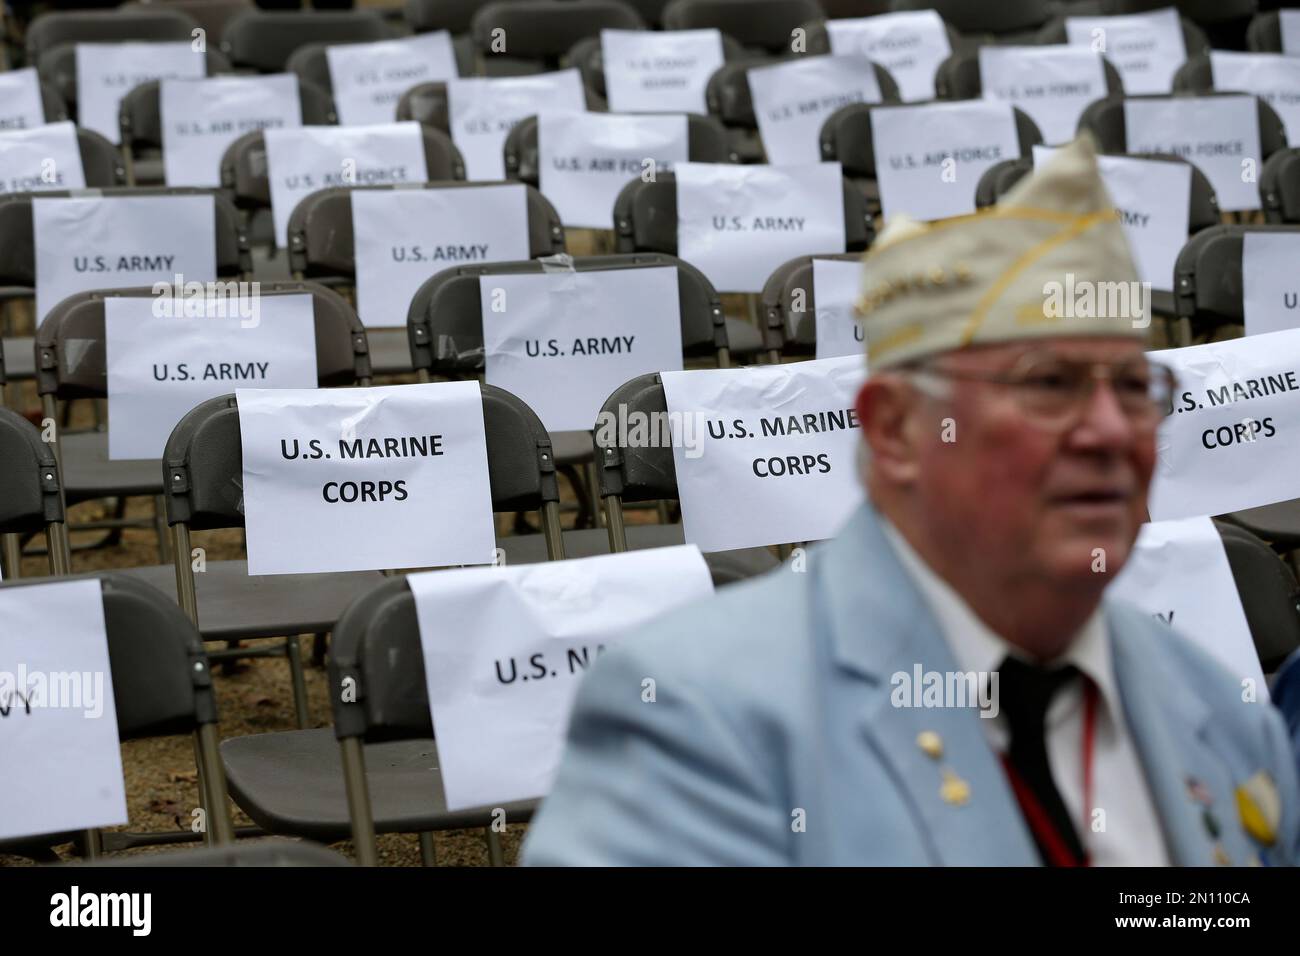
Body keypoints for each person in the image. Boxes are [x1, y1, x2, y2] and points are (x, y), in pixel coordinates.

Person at [522, 137, 1299, 866]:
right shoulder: (700, 719)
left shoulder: (1209, 702)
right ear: (894, 431)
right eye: (1047, 385)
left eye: (1133, 387)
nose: (1106, 431)